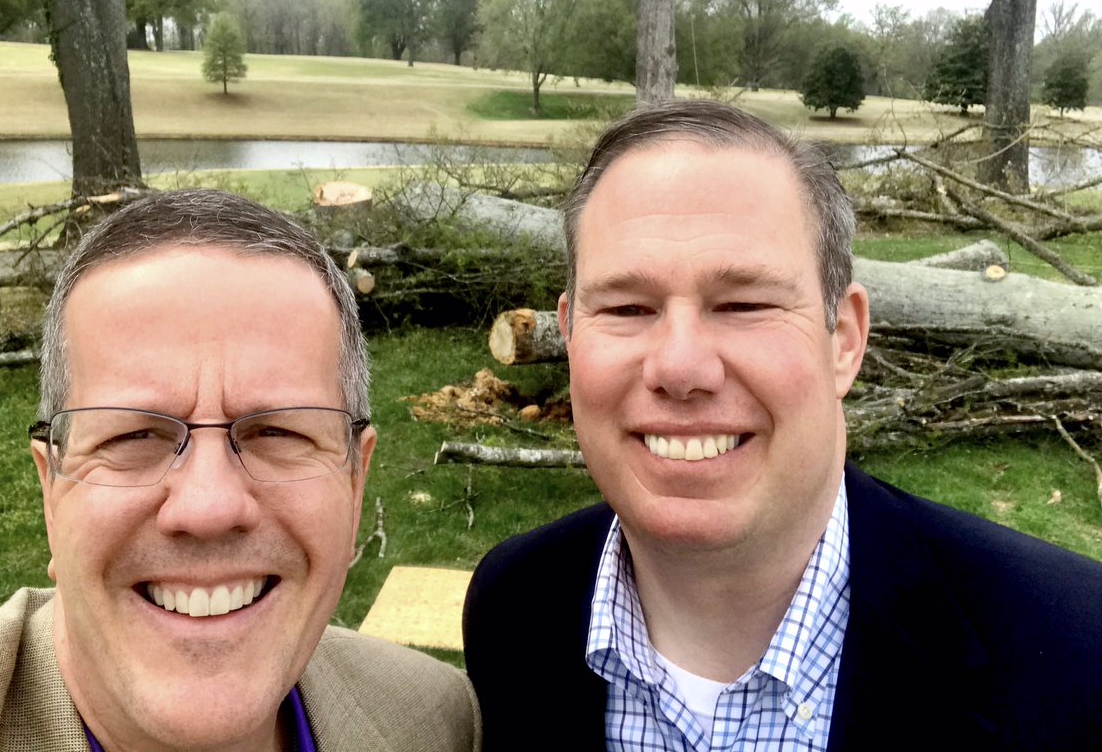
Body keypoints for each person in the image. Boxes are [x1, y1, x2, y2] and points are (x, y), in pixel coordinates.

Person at [463, 100, 1102, 751]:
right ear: (568, 334)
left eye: (742, 304)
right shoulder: (514, 608)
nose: (681, 366)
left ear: (844, 340)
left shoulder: (1079, 651)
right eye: (628, 306)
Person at [0, 189, 480, 752]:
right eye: (133, 435)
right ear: (52, 490)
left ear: (355, 484)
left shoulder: (436, 720)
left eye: (278, 432)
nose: (208, 507)